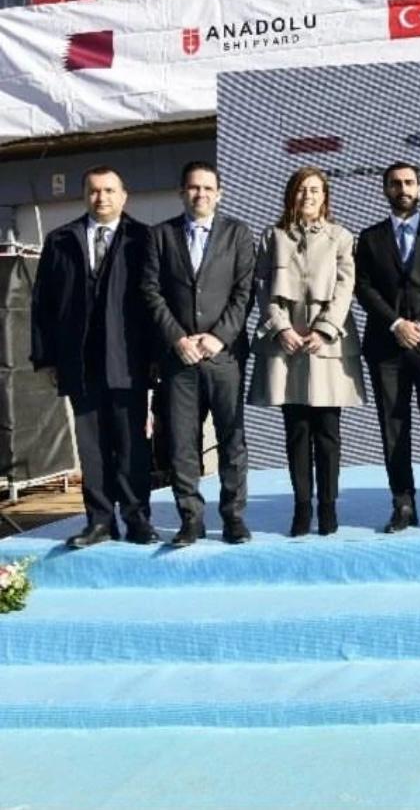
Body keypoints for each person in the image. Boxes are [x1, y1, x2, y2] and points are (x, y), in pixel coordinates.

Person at [30, 166, 155, 548]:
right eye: (94, 191)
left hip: (128, 361)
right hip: (79, 363)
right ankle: (99, 521)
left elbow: (154, 303)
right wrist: (45, 358)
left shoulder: (144, 238)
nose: (102, 198)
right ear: (85, 195)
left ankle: (137, 519)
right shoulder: (60, 240)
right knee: (92, 447)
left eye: (109, 190)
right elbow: (43, 305)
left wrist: (155, 359)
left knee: (132, 444)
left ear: (124, 195)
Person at [140, 161, 257, 547]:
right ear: (181, 193)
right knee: (182, 442)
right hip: (179, 359)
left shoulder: (237, 234)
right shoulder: (161, 235)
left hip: (224, 357)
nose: (200, 194)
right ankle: (191, 518)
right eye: (193, 188)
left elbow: (244, 292)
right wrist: (178, 338)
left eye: (208, 188)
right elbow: (151, 292)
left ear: (219, 193)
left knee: (231, 439)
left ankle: (233, 517)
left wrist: (218, 337)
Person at [248, 167, 366, 535]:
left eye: (315, 190)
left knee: (328, 433)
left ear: (325, 196)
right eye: (301, 190)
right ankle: (301, 508)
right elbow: (263, 286)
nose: (308, 197)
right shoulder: (273, 235)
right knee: (296, 431)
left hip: (327, 345)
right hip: (287, 346)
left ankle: (328, 508)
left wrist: (325, 329)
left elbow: (346, 288)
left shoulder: (341, 237)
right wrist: (281, 327)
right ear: (291, 195)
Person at [354, 162, 420, 532]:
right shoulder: (369, 238)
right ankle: (403, 504)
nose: (403, 189)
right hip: (386, 347)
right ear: (385, 190)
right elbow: (363, 288)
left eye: (410, 183)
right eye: (396, 184)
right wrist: (396, 323)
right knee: (393, 428)